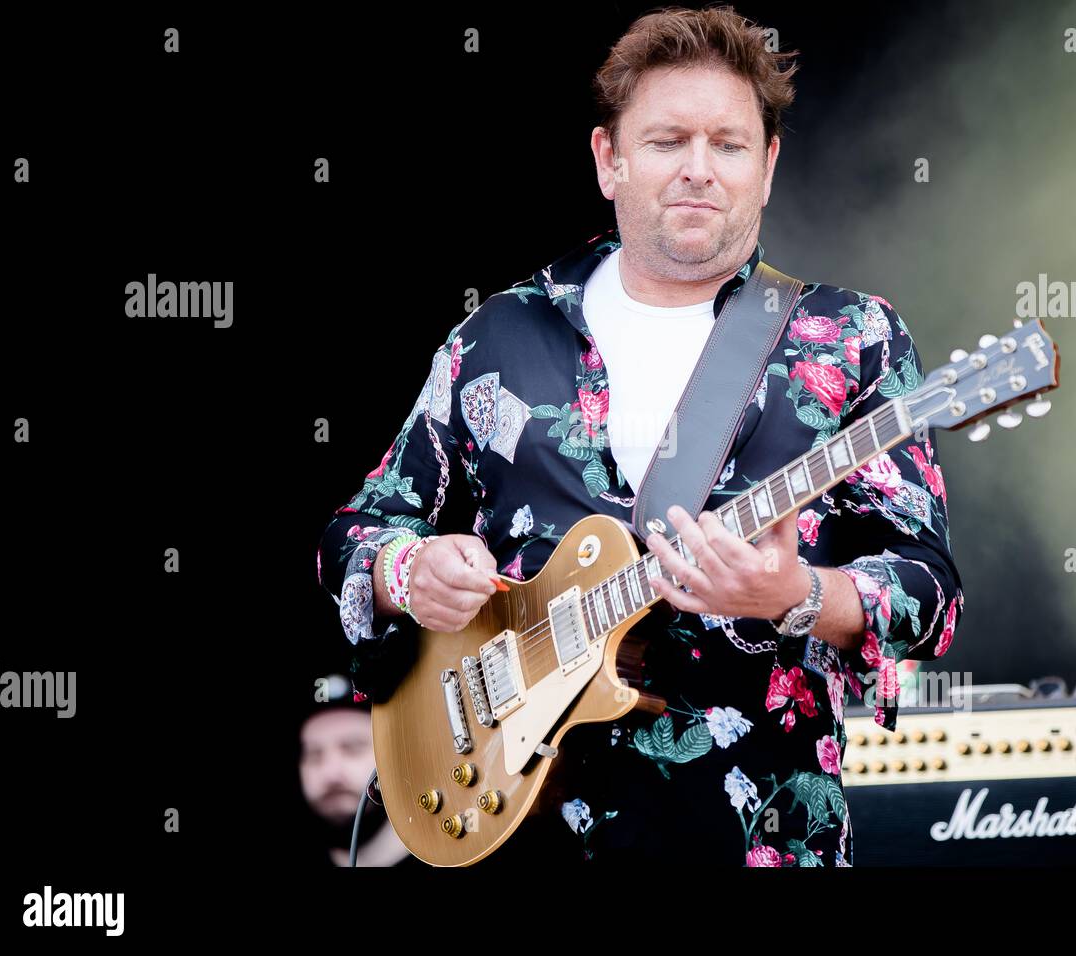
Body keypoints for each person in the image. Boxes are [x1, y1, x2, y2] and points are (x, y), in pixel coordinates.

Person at [316, 4, 964, 867]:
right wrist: (408, 572)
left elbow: (928, 588)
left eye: (728, 145)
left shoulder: (851, 339)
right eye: (666, 142)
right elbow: (355, 534)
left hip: (759, 832)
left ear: (767, 167)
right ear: (608, 160)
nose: (699, 170)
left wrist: (796, 594)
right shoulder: (501, 335)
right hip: (523, 826)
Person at [297, 673, 410, 867]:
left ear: (395, 753)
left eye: (353, 748)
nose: (330, 773)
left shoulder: (451, 859)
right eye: (314, 755)